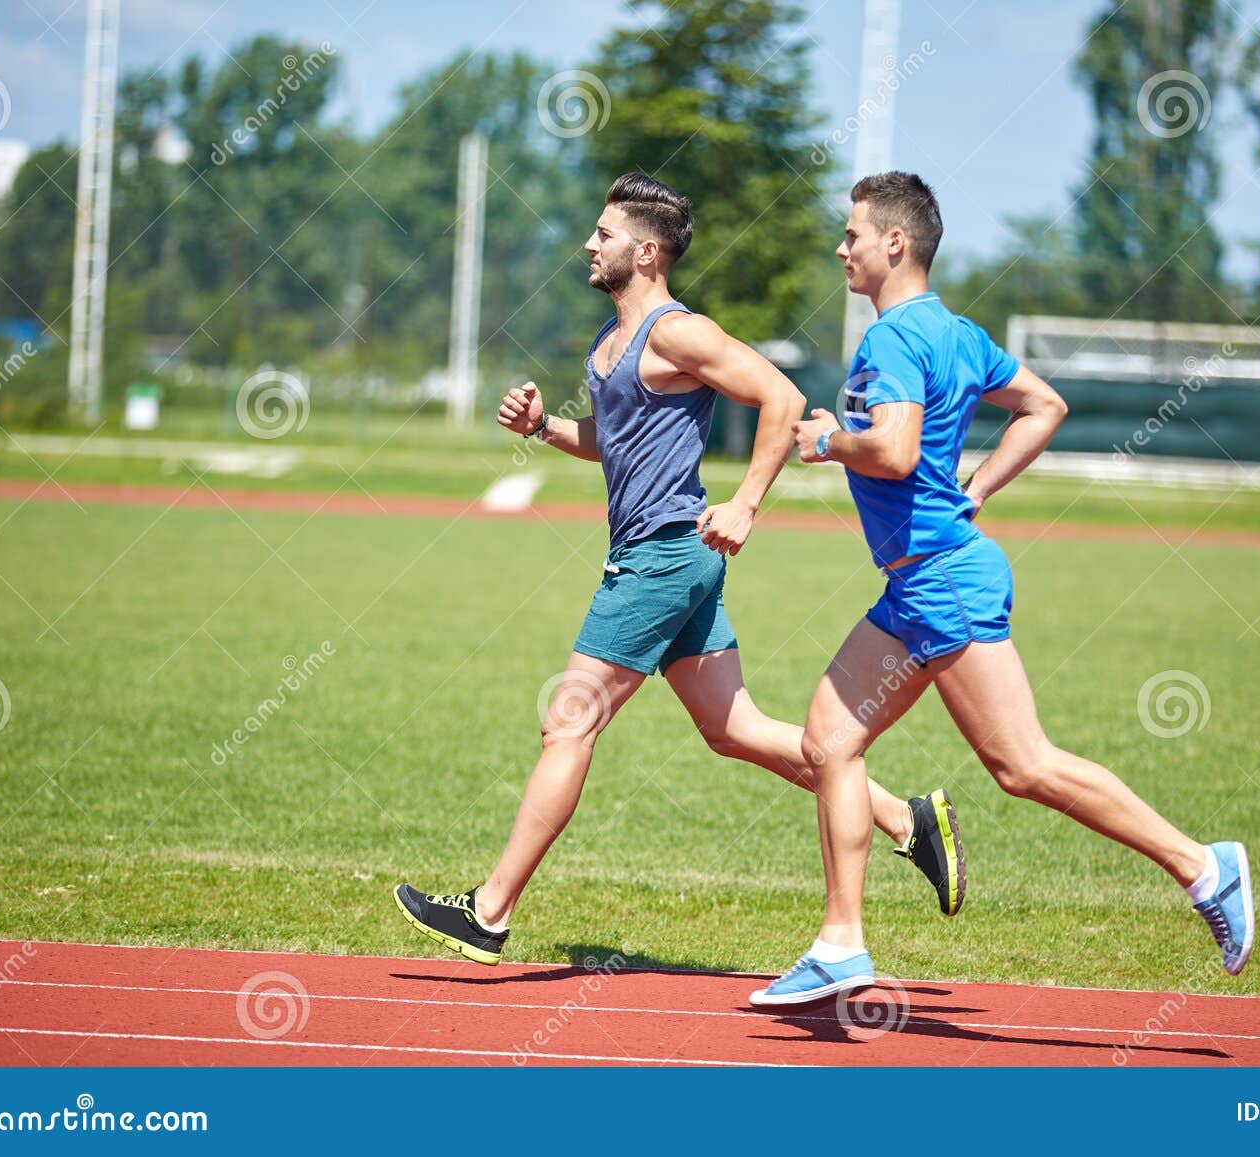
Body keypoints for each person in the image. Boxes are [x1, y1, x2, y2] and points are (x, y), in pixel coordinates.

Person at [395, 172, 966, 966]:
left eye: (604, 234)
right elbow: (614, 439)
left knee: (571, 718)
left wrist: (747, 504)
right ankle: (908, 823)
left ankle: (488, 911)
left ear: (647, 250)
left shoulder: (678, 332)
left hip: (665, 554)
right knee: (733, 728)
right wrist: (546, 426)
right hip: (665, 556)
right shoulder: (612, 342)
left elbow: (780, 395)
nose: (590, 244)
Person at [750, 171, 1253, 1006]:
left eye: (852, 234)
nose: (842, 248)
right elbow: (1044, 405)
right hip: (923, 581)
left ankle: (1204, 866)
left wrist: (830, 440)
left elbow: (899, 451)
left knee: (1022, 765)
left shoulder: (894, 340)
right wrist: (975, 491)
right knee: (830, 743)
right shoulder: (954, 331)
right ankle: (841, 944)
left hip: (941, 578)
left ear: (895, 243)